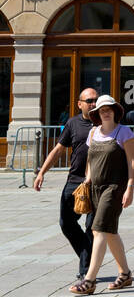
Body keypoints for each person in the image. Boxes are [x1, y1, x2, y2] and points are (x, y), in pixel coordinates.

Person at [68, 94, 134, 296]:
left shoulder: (124, 132)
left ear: (115, 111)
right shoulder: (93, 133)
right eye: (101, 110)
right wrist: (87, 179)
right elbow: (90, 160)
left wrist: (130, 187)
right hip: (95, 188)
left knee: (98, 230)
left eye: (109, 108)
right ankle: (125, 274)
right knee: (109, 232)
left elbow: (133, 162)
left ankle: (89, 280)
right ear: (97, 114)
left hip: (114, 188)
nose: (105, 112)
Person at [33, 87, 97, 284]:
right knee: (66, 223)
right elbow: (58, 150)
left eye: (95, 100)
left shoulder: (104, 122)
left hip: (96, 184)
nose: (93, 103)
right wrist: (42, 172)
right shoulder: (73, 123)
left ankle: (86, 272)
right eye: (89, 101)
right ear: (80, 104)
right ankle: (88, 261)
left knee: (91, 227)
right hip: (74, 182)